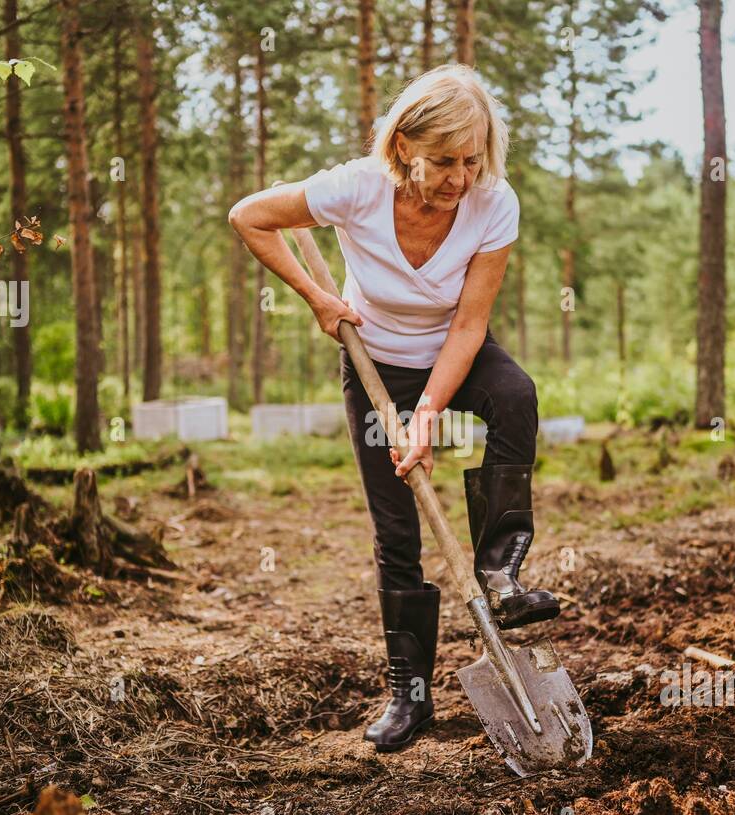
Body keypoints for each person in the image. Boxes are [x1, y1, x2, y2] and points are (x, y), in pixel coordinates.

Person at [228, 64, 558, 753]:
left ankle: (500, 570)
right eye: (443, 161)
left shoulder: (495, 204)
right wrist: (318, 299)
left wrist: (429, 413)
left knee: (517, 395)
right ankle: (410, 699)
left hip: (454, 355)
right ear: (404, 144)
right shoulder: (355, 189)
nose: (458, 179)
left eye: (472, 160)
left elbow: (469, 327)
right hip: (374, 361)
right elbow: (249, 217)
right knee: (395, 532)